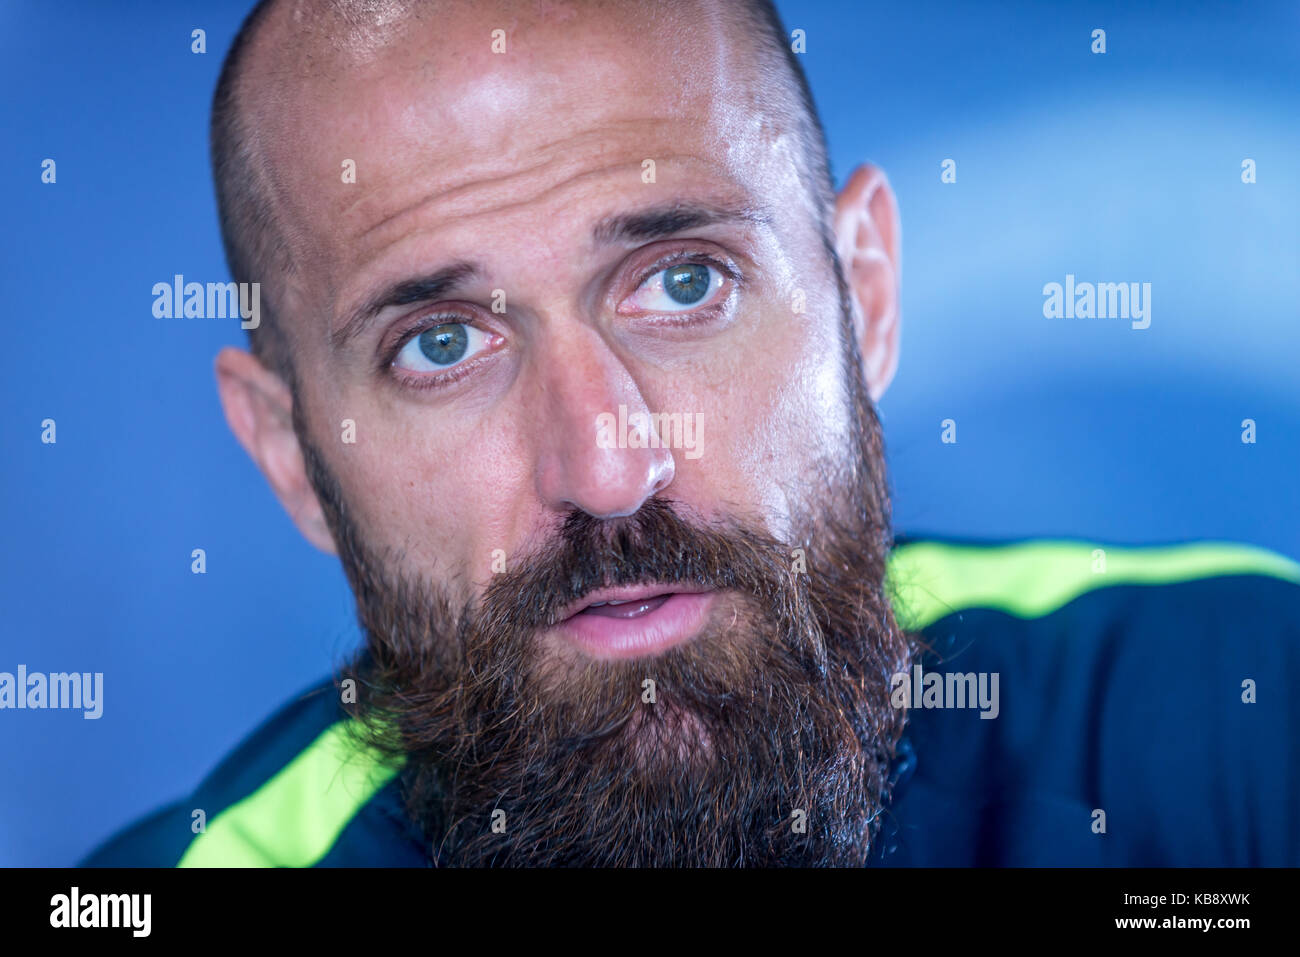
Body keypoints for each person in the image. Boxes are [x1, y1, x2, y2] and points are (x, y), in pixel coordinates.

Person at [84, 0, 1300, 867]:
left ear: (860, 296)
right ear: (293, 453)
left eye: (683, 284)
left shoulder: (1236, 712)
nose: (607, 470)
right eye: (442, 344)